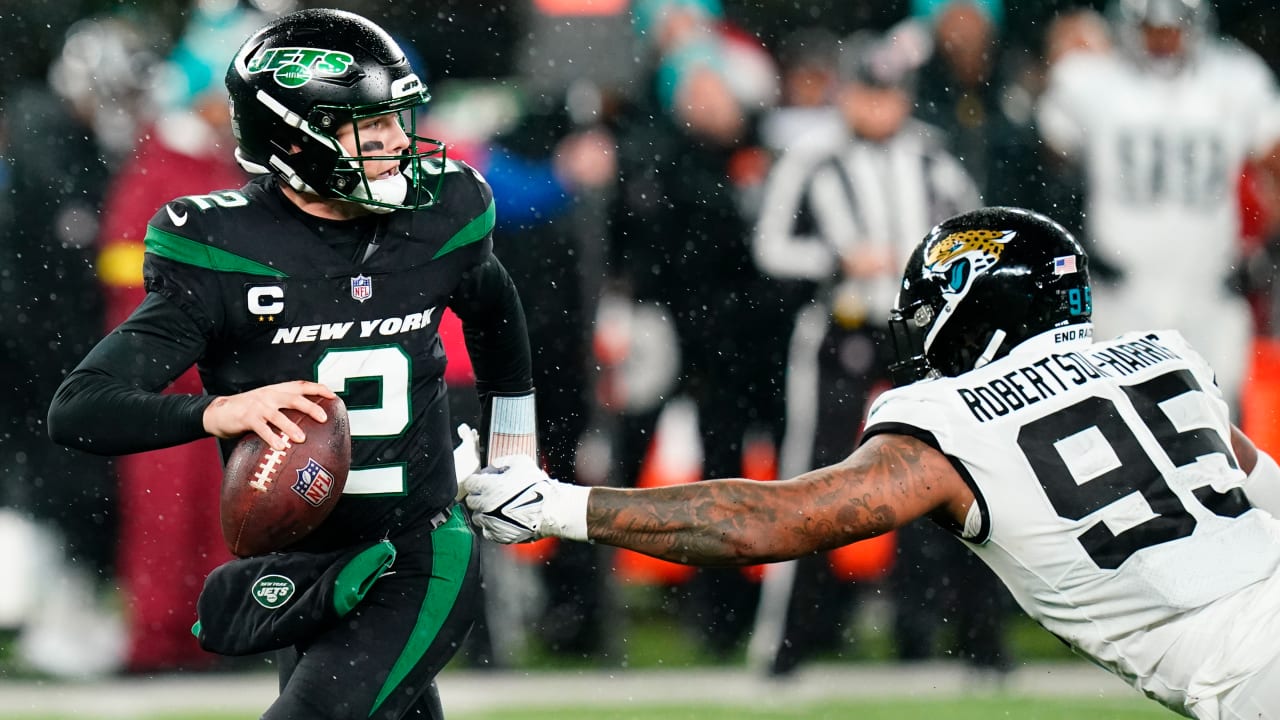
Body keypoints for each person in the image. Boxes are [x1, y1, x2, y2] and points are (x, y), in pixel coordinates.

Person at [463, 206, 1280, 720]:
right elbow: (1262, 485)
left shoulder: (948, 419)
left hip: (1244, 671)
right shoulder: (1160, 359)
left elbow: (767, 523)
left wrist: (554, 507)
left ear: (972, 310)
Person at [47, 8, 533, 719]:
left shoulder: (442, 214)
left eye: (400, 119)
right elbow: (81, 408)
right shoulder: (221, 247)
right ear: (296, 140)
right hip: (300, 565)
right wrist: (216, 411)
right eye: (373, 129)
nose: (401, 144)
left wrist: (513, 449)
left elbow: (494, 308)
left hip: (417, 551)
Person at [749, 27, 991, 676]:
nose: (879, 107)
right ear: (846, 93)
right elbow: (769, 246)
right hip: (842, 326)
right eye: (867, 93)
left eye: (890, 95)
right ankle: (786, 646)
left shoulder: (935, 157)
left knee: (950, 471)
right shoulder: (811, 156)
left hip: (919, 334)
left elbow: (979, 238)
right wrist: (836, 258)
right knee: (813, 477)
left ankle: (968, 639)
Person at [1036, 0, 1280, 412]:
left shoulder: (1236, 77)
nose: (1164, 38)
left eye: (1174, 25)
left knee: (1217, 422)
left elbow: (1271, 159)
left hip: (1209, 286)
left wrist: (1261, 244)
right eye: (1151, 26)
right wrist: (1059, 53)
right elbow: (1046, 158)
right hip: (1120, 288)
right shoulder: (1091, 77)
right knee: (1120, 421)